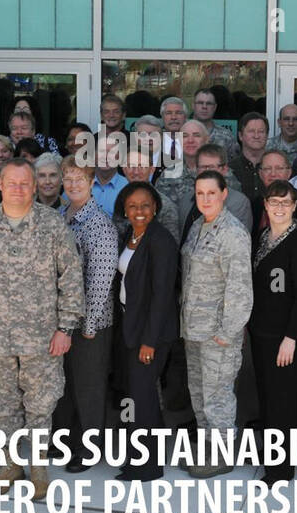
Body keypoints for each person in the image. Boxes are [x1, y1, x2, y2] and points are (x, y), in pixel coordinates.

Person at [0, 159, 84, 500]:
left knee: (41, 404)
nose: (18, 189)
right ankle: (12, 465)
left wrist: (65, 328)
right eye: (11, 183)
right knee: (3, 403)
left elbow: (71, 278)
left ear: (34, 186)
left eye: (24, 183)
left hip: (42, 337)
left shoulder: (52, 224)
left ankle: (39, 468)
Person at [179, 170, 253, 477]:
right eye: (200, 193)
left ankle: (222, 455)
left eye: (212, 193)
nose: (205, 199)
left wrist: (227, 332)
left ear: (224, 194)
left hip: (218, 333)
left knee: (218, 397)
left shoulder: (233, 233)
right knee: (199, 395)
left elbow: (240, 288)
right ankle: (206, 450)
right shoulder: (198, 226)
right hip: (194, 330)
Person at [249, 180, 297, 483]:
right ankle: (270, 456)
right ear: (265, 204)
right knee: (267, 398)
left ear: (294, 206)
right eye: (274, 202)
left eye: (285, 202)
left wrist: (291, 338)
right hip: (262, 333)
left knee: (283, 403)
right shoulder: (262, 238)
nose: (279, 208)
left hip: (286, 338)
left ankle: (280, 470)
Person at [110, 182, 178, 481]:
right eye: (133, 206)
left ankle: (147, 466)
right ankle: (138, 457)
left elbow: (162, 295)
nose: (140, 211)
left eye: (146, 205)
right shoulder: (130, 234)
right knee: (137, 397)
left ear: (156, 208)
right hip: (131, 325)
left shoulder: (161, 240)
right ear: (124, 209)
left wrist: (149, 341)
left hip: (152, 334)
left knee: (143, 397)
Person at [55, 157, 118, 473]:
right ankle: (65, 442)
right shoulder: (60, 216)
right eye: (68, 178)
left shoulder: (100, 224)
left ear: (92, 182)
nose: (73, 184)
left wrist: (89, 323)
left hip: (89, 323)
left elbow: (101, 280)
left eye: (80, 178)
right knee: (65, 386)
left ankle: (88, 449)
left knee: (88, 388)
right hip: (61, 321)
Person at [181, 144, 253, 235]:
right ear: (197, 169)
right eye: (203, 167)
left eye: (211, 167)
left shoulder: (238, 202)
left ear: (224, 169)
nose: (207, 171)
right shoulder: (186, 200)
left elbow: (238, 238)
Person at [256, 149, 297, 236]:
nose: (273, 174)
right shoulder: (255, 204)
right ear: (260, 173)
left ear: (289, 172)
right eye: (267, 169)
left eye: (279, 168)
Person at [119, 149, 181, 241]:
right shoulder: (120, 201)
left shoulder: (166, 207)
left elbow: (171, 245)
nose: (136, 172)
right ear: (124, 169)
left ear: (152, 169)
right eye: (131, 166)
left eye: (142, 166)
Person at [232, 112, 269, 201]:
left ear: (267, 136)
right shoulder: (229, 169)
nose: (256, 136)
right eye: (251, 131)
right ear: (240, 135)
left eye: (261, 131)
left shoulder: (276, 169)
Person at [193, 88, 236, 157]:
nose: (204, 107)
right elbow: (175, 162)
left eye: (209, 103)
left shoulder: (227, 137)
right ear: (193, 106)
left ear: (215, 107)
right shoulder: (181, 133)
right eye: (200, 103)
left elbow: (234, 162)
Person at [159, 97, 188, 164]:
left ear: (185, 116)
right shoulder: (155, 141)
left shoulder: (193, 141)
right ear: (162, 117)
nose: (173, 117)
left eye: (178, 113)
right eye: (168, 113)